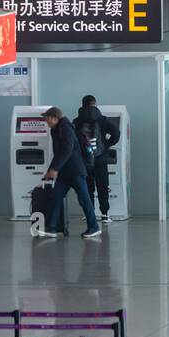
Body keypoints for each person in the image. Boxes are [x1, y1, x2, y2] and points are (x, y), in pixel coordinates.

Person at [39, 106, 100, 239]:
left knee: (84, 200)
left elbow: (67, 150)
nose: (46, 121)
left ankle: (94, 227)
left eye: (47, 118)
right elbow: (58, 153)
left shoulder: (66, 128)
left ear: (54, 118)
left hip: (75, 171)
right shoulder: (55, 130)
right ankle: (52, 228)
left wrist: (55, 169)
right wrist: (50, 170)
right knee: (55, 197)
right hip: (64, 172)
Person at [74, 94, 121, 223]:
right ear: (94, 104)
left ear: (82, 105)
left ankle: (90, 214)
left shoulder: (77, 121)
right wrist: (107, 144)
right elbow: (116, 133)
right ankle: (105, 214)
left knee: (88, 186)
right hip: (100, 157)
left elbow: (74, 140)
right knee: (102, 186)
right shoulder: (103, 120)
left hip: (85, 159)